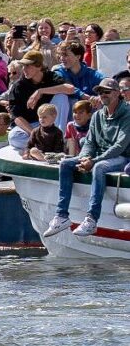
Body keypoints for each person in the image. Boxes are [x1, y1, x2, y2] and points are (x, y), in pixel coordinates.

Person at [46, 79, 130, 237]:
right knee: (65, 163)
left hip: (122, 157)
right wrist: (84, 157)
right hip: (100, 156)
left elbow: (120, 146)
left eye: (106, 92)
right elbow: (90, 142)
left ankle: (91, 219)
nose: (102, 95)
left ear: (118, 93)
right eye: (99, 92)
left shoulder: (128, 114)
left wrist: (94, 161)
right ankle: (62, 215)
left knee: (99, 167)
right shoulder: (98, 115)